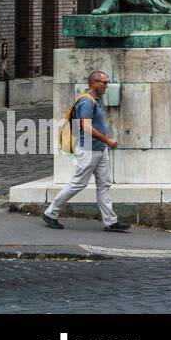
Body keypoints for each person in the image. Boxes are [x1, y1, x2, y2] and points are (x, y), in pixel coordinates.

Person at [41, 71, 131, 232]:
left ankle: (110, 221)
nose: (106, 85)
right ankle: (51, 213)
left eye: (107, 82)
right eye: (104, 82)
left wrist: (103, 143)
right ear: (94, 83)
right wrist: (107, 140)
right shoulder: (87, 102)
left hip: (99, 150)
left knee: (104, 184)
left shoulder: (96, 99)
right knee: (78, 184)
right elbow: (86, 127)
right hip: (88, 150)